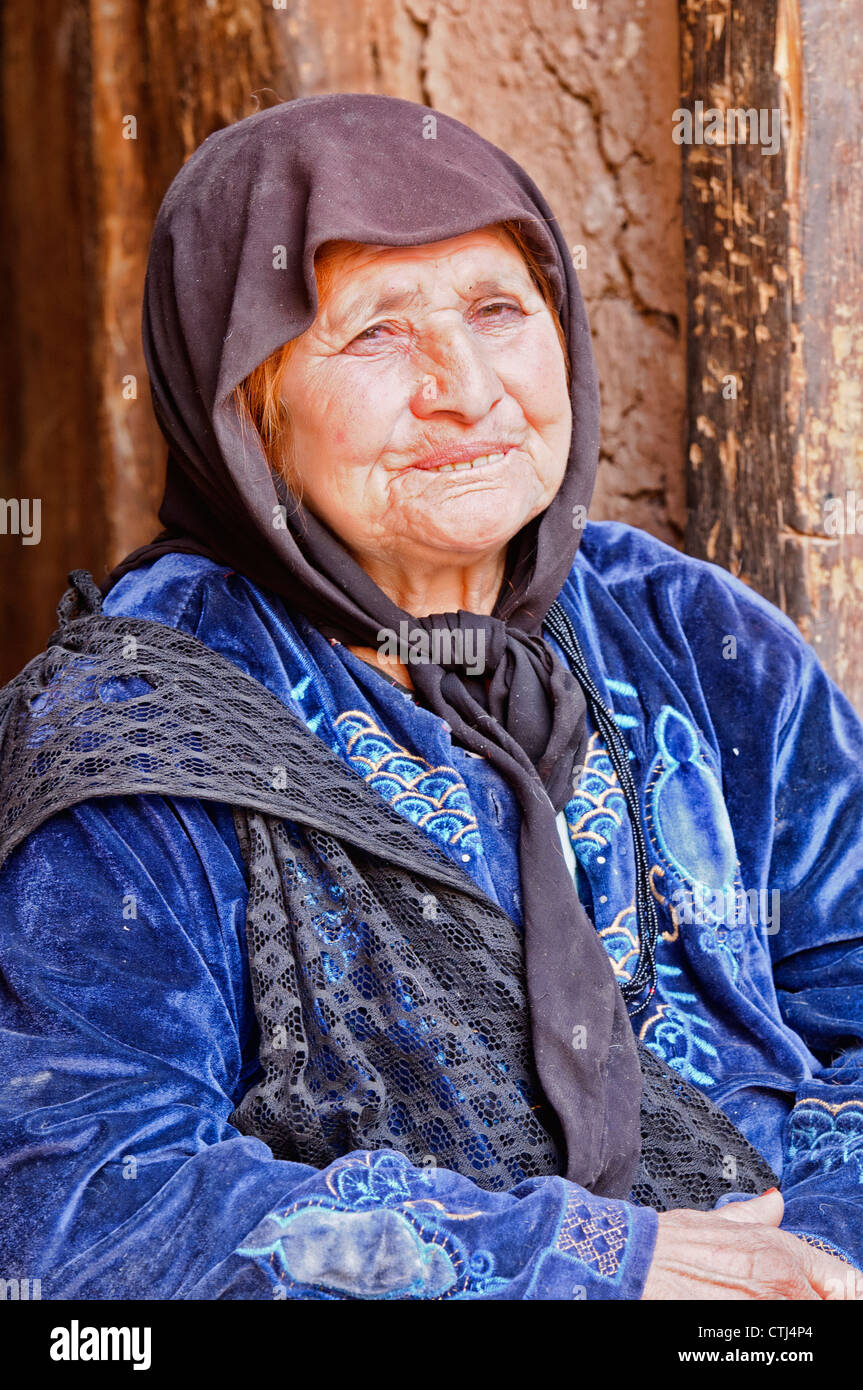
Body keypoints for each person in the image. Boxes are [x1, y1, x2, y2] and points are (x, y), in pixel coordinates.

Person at [1, 93, 862, 1302]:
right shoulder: (134, 719)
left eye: (499, 311)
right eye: (372, 335)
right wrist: (575, 1265)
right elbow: (85, 1208)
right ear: (245, 406)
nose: (464, 388)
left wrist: (816, 1258)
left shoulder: (687, 632)